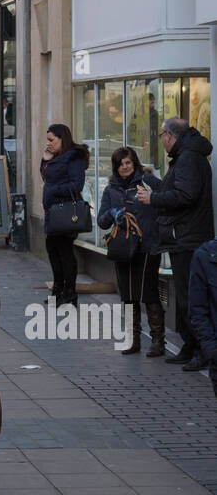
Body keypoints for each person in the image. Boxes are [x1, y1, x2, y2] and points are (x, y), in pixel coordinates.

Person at [136, 116, 213, 369]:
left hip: (188, 238)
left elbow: (186, 195)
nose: (162, 140)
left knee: (190, 297)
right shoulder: (187, 156)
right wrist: (152, 185)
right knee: (185, 296)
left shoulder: (189, 158)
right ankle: (190, 346)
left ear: (170, 136)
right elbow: (180, 189)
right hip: (185, 237)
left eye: (162, 135)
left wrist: (153, 198)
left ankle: (202, 350)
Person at [97, 146, 165, 356]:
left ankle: (158, 341)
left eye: (128, 162)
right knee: (128, 295)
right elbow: (101, 221)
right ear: (116, 168)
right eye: (120, 164)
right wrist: (113, 213)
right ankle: (133, 340)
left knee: (149, 292)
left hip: (147, 246)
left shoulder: (149, 181)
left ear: (134, 162)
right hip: (123, 249)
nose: (125, 167)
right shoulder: (111, 190)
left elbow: (166, 203)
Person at [40, 123, 89, 306]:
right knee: (53, 251)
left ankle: (69, 293)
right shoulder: (57, 156)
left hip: (66, 212)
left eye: (52, 140)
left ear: (62, 138)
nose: (49, 144)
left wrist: (53, 190)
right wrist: (45, 160)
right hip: (53, 212)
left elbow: (77, 185)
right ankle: (59, 292)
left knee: (65, 252)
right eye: (48, 140)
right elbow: (46, 178)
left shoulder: (74, 157)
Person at [186, 240, 217, 401]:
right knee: (130, 302)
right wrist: (211, 349)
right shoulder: (205, 257)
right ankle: (134, 339)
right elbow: (197, 309)